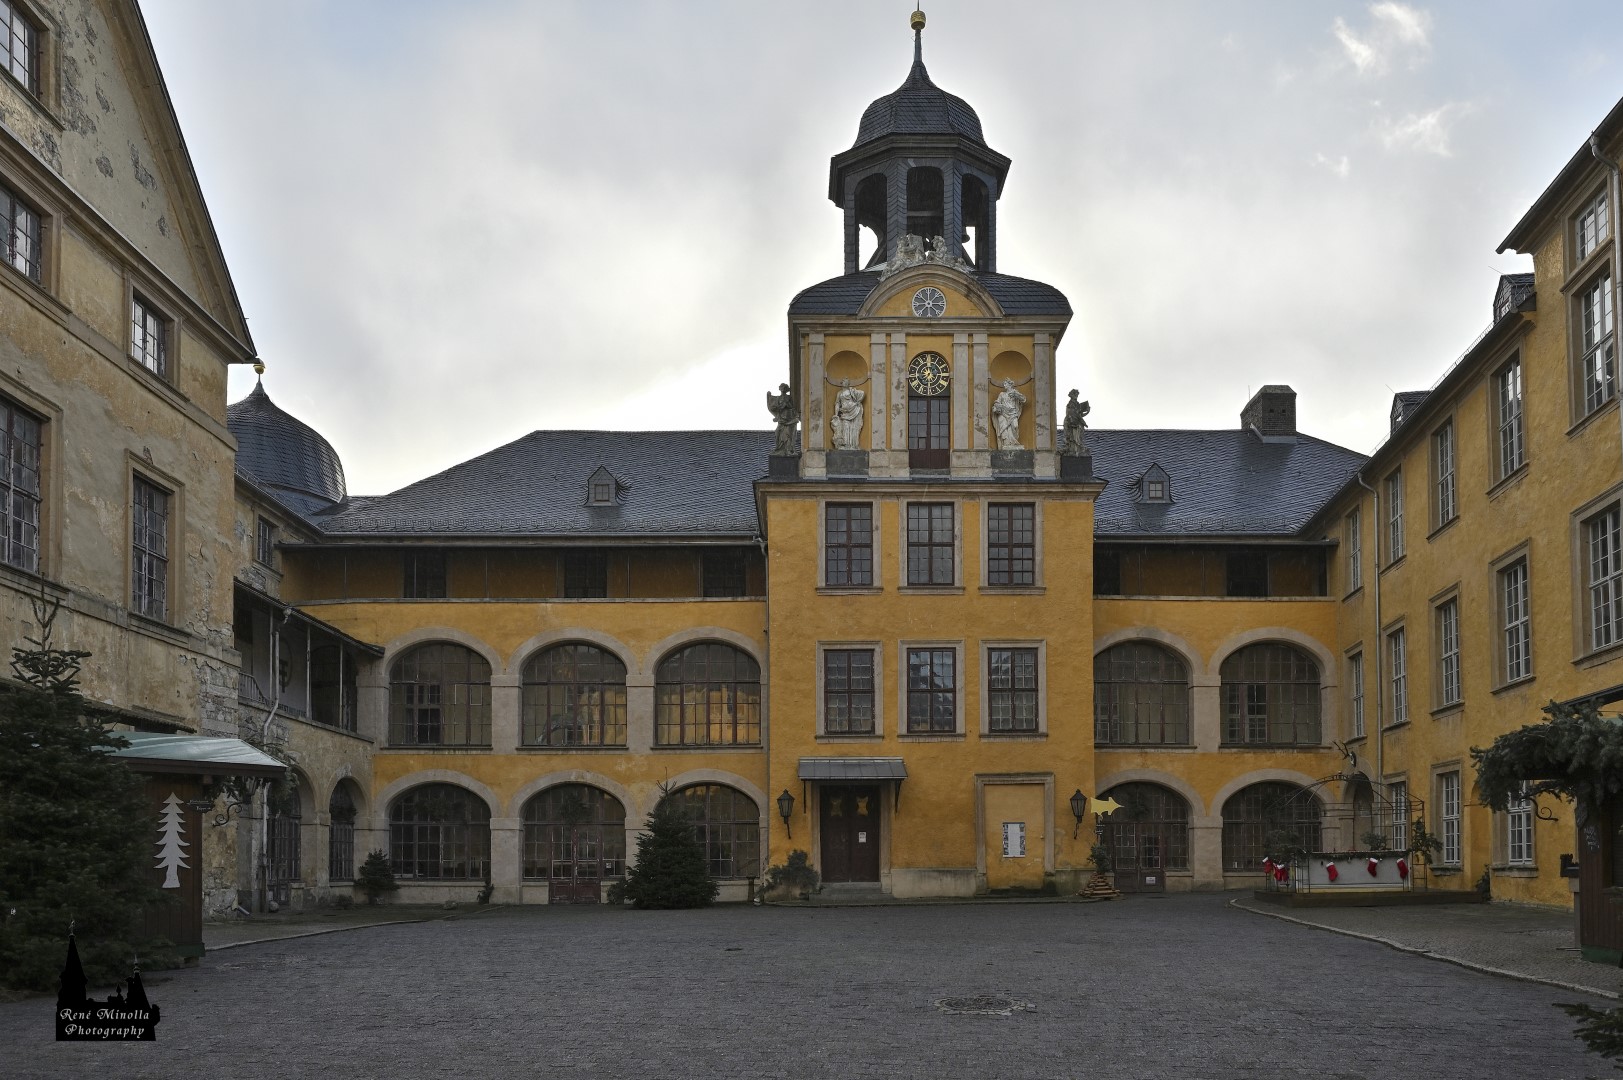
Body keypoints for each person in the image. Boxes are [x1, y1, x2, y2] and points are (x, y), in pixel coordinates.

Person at [991, 378, 1026, 449]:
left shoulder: (1015, 392)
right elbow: (997, 402)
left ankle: (1014, 442)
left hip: (1012, 413)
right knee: (1004, 428)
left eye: (1005, 384)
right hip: (1003, 413)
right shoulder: (1002, 394)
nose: (1004, 385)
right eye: (1004, 384)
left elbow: (1023, 399)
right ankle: (1006, 444)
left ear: (1010, 384)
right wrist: (996, 406)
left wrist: (1016, 395)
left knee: (1015, 426)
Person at [830, 380, 865, 450]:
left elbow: (862, 393)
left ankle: (853, 445)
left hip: (853, 410)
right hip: (844, 412)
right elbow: (837, 403)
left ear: (848, 383)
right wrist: (836, 414)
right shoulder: (839, 393)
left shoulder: (851, 390)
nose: (842, 382)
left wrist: (857, 402)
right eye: (842, 381)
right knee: (845, 427)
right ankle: (846, 445)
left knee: (853, 427)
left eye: (844, 381)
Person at [766, 383, 798, 455]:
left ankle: (788, 449)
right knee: (777, 432)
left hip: (788, 418)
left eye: (784, 387)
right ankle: (778, 448)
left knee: (788, 434)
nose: (782, 388)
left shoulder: (789, 397)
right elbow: (776, 408)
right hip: (781, 418)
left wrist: (786, 403)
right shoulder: (778, 398)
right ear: (780, 389)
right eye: (781, 387)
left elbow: (791, 407)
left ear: (786, 389)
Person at [1062, 389, 1091, 456]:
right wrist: (1083, 422)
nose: (1076, 396)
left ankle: (1077, 448)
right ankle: (1075, 449)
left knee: (1078, 436)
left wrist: (1087, 412)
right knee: (1074, 438)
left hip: (1076, 422)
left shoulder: (1077, 404)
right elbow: (1074, 415)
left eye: (1077, 395)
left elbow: (1079, 415)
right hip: (1071, 423)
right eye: (1075, 395)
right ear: (1072, 395)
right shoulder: (1071, 404)